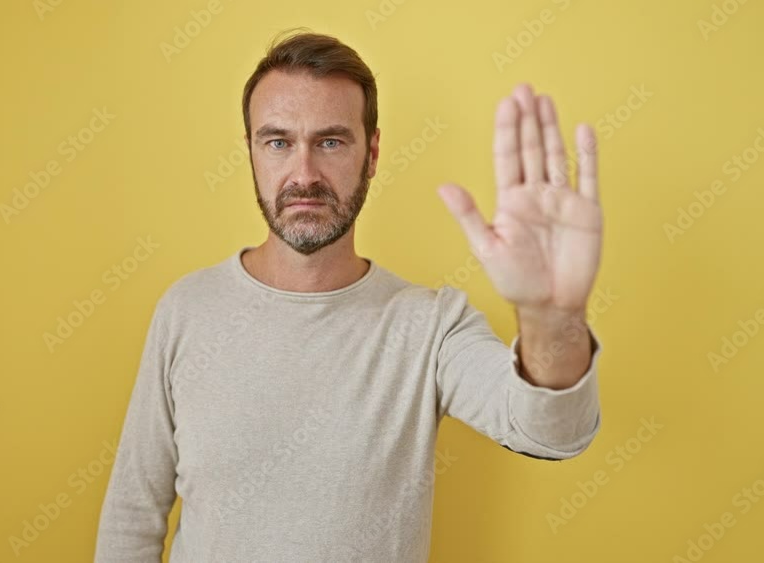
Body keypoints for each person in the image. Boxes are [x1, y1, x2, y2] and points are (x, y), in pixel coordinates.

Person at [94, 28, 604, 563]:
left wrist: (551, 315)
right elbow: (132, 517)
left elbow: (550, 432)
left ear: (373, 152)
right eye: (278, 142)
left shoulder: (431, 325)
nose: (305, 174)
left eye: (331, 141)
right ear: (250, 151)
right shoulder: (188, 309)